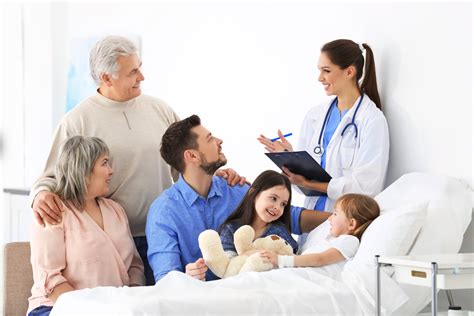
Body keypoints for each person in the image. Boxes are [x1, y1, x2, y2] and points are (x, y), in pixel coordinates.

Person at [29, 35, 243, 285]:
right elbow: (51, 177)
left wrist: (214, 175)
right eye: (132, 72)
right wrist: (40, 195)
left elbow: (186, 159)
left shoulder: (159, 109)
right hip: (115, 242)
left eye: (139, 67)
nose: (141, 77)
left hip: (164, 234)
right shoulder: (77, 120)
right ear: (106, 77)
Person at [146, 115, 330, 282]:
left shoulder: (234, 188)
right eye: (210, 139)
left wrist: (348, 217)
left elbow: (291, 216)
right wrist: (187, 276)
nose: (219, 141)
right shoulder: (163, 212)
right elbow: (165, 278)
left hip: (248, 294)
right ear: (192, 155)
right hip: (200, 301)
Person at [258, 39, 389, 215]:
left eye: (326, 71)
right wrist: (292, 160)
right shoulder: (315, 116)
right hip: (312, 215)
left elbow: (366, 188)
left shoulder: (372, 120)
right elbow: (301, 185)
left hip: (345, 219)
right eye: (320, 70)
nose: (320, 78)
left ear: (349, 72)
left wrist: (310, 184)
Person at [27, 136, 144, 316]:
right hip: (55, 307)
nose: (111, 171)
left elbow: (135, 266)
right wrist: (94, 310)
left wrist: (133, 300)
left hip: (114, 308)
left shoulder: (116, 210)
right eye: (104, 163)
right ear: (83, 170)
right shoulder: (54, 212)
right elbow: (50, 280)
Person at [260, 193, 380, 270]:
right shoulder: (333, 239)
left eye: (335, 213)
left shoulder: (349, 241)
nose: (329, 218)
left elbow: (320, 259)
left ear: (351, 224)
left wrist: (281, 260)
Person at [220, 170, 298, 257]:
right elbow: (227, 262)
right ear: (253, 193)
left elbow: (292, 257)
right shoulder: (231, 228)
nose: (278, 207)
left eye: (283, 204)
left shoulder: (279, 232)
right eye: (273, 198)